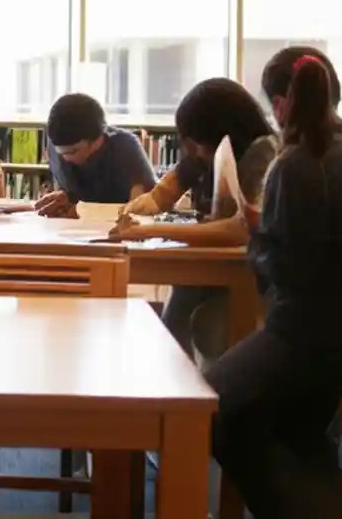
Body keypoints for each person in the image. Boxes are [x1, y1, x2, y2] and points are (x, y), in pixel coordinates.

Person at [206, 48, 342, 519]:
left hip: (309, 342)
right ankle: (316, 484)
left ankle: (306, 506)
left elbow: (286, 272)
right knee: (275, 418)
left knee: (205, 405)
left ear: (279, 104)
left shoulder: (297, 165)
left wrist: (257, 235)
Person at [109, 77, 278, 362]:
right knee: (180, 302)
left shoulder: (262, 155)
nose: (193, 150)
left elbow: (241, 230)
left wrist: (152, 230)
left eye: (196, 141)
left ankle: (192, 394)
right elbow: (168, 188)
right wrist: (147, 206)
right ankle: (176, 392)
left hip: (258, 275)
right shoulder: (206, 156)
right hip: (224, 263)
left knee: (198, 321)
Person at [34, 93, 157, 217]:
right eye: (61, 153)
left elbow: (141, 209)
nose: (66, 158)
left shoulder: (125, 146)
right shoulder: (56, 149)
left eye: (73, 152)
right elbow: (69, 198)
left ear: (97, 141)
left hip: (119, 228)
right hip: (75, 228)